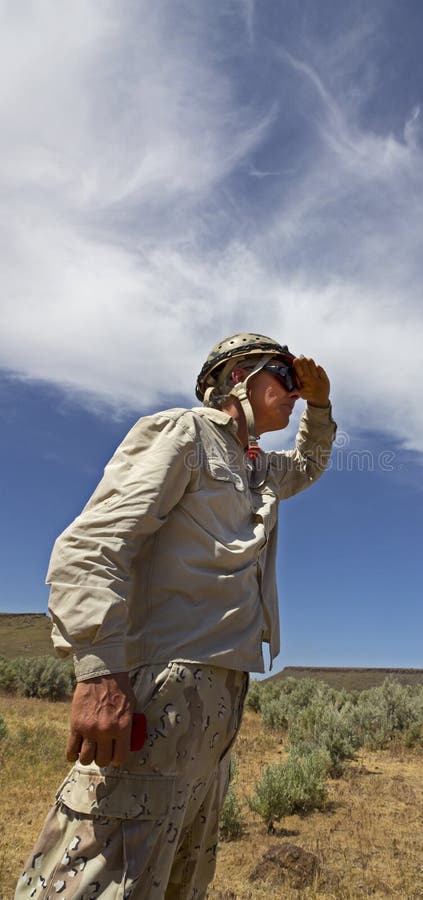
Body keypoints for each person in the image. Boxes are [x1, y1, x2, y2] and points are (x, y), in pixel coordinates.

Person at [16, 333, 335, 900]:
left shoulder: (257, 468)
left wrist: (321, 404)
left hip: (220, 699)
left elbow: (309, 464)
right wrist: (98, 670)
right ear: (237, 375)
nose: (293, 390)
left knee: (176, 881)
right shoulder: (184, 434)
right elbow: (92, 545)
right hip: (158, 686)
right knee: (98, 877)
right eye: (283, 377)